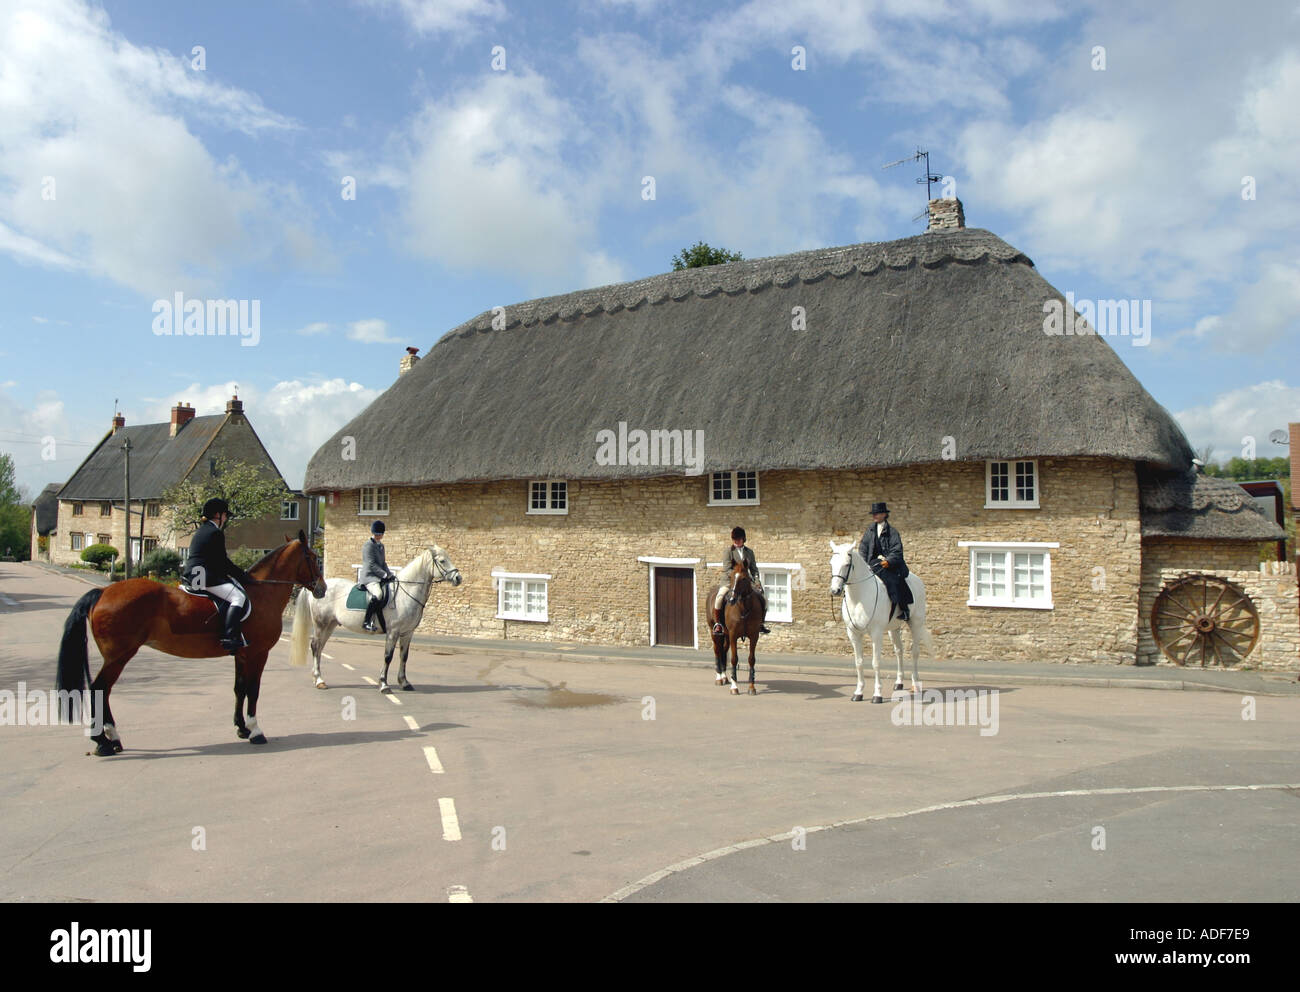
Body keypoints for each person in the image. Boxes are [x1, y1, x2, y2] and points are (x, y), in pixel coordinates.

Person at [182, 497, 253, 653]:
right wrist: (243, 575)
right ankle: (230, 637)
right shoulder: (215, 532)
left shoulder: (202, 530)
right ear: (217, 515)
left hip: (194, 573)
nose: (226, 518)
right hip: (203, 575)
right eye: (225, 515)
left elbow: (216, 562)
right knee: (238, 597)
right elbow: (222, 562)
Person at [712, 526, 771, 636]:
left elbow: (754, 569)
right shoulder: (728, 552)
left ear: (743, 539)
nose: (736, 541)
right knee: (719, 598)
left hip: (746, 582)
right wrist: (737, 577)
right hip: (730, 581)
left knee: (764, 598)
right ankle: (718, 624)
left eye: (738, 539)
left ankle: (761, 623)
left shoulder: (749, 552)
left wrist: (757, 581)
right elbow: (727, 569)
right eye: (734, 539)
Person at [859, 501, 912, 622]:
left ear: (884, 515)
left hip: (889, 565)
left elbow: (897, 550)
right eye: (873, 514)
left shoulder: (892, 532)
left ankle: (904, 609)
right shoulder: (870, 531)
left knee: (895, 581)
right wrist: (863, 563)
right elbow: (863, 547)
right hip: (872, 563)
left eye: (877, 514)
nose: (874, 516)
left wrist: (888, 561)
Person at [360, 519, 395, 633]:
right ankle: (366, 621)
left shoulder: (381, 546)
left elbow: (383, 563)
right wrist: (384, 575)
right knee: (378, 594)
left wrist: (390, 574)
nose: (378, 536)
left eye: (380, 534)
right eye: (377, 534)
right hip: (369, 576)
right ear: (373, 533)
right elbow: (371, 564)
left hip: (379, 576)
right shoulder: (368, 545)